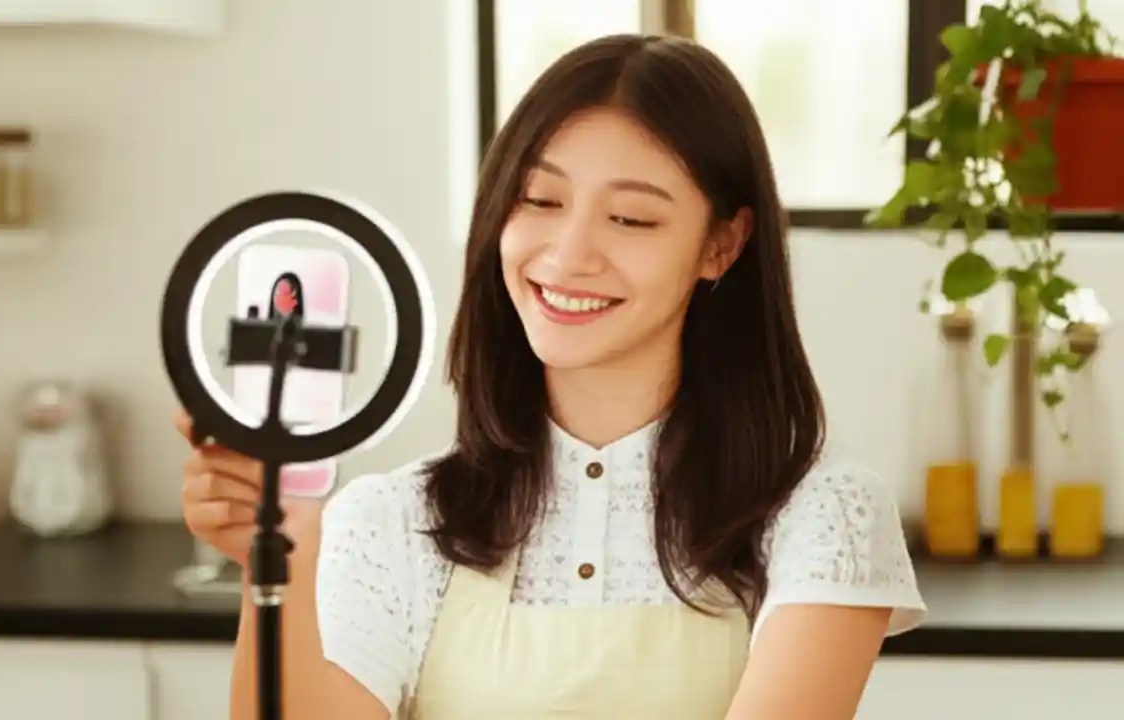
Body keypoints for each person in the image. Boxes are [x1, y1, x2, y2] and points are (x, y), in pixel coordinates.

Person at [177, 33, 927, 720]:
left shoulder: (822, 517)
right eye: (539, 200)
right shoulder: (386, 523)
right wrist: (277, 557)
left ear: (722, 245)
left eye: (631, 219)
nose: (568, 254)